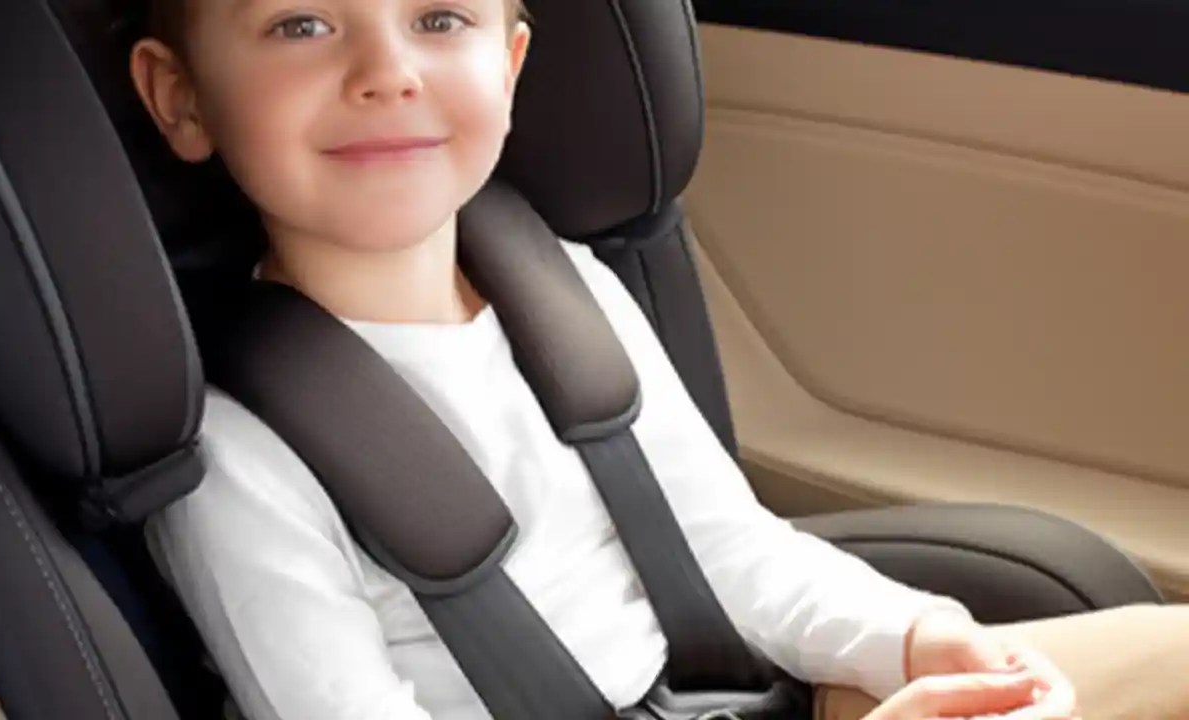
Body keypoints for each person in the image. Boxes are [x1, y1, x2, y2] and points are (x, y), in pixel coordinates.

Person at [126, 1, 1185, 718]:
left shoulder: (566, 291)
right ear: (180, 97)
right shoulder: (236, 457)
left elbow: (731, 553)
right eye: (301, 24)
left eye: (439, 18)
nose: (386, 74)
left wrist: (914, 638)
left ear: (509, 63)